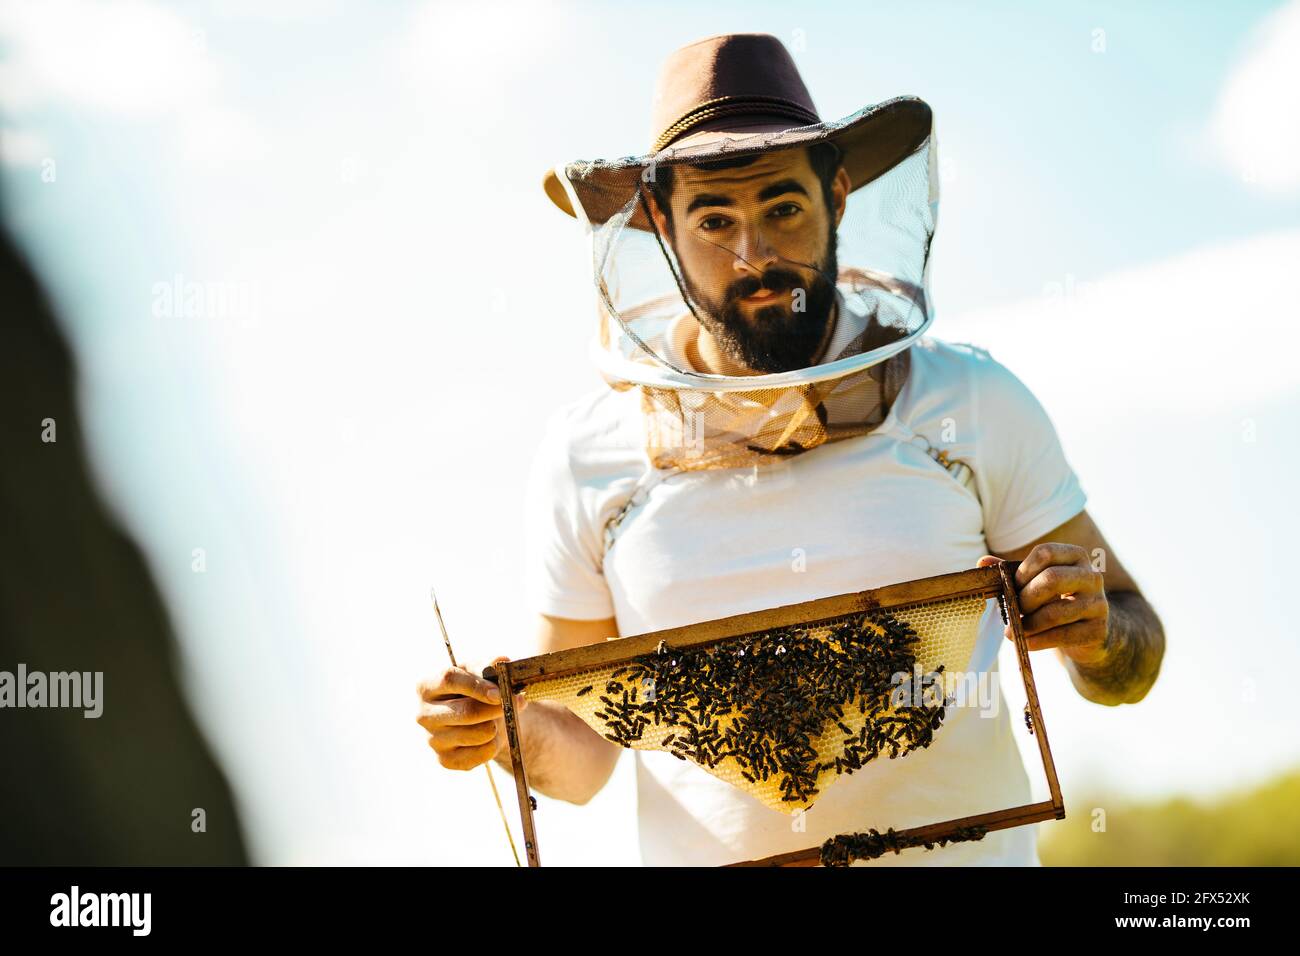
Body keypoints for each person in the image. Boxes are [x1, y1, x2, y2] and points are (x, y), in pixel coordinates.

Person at [416, 32, 1165, 866]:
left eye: (783, 208)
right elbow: (585, 756)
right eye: (714, 220)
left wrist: (1097, 634)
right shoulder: (588, 455)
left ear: (837, 195)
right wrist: (504, 728)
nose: (756, 257)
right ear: (659, 223)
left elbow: (1134, 655)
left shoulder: (969, 401)